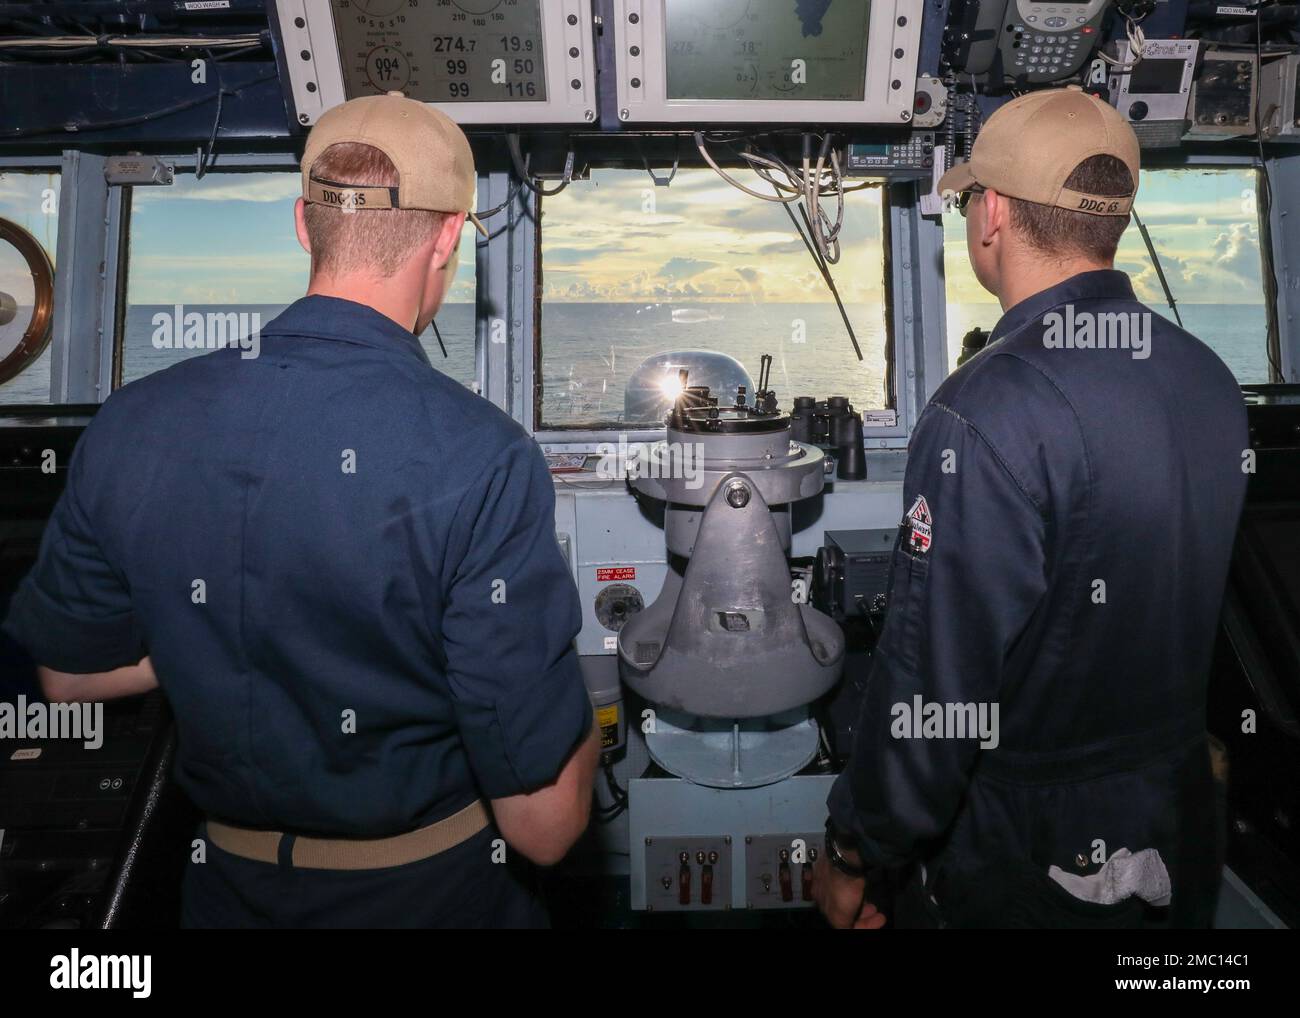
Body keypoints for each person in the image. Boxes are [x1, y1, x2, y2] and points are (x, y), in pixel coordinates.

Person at [3, 92, 598, 928]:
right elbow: (543, 829)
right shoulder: (482, 455)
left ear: (301, 222)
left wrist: (230, 643)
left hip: (221, 895)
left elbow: (68, 676)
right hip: (437, 898)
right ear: (448, 237)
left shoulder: (133, 424)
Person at [813, 86, 1248, 929]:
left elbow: (935, 692)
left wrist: (854, 848)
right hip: (1177, 823)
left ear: (995, 214)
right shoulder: (1209, 379)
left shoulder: (987, 408)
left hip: (1033, 853)